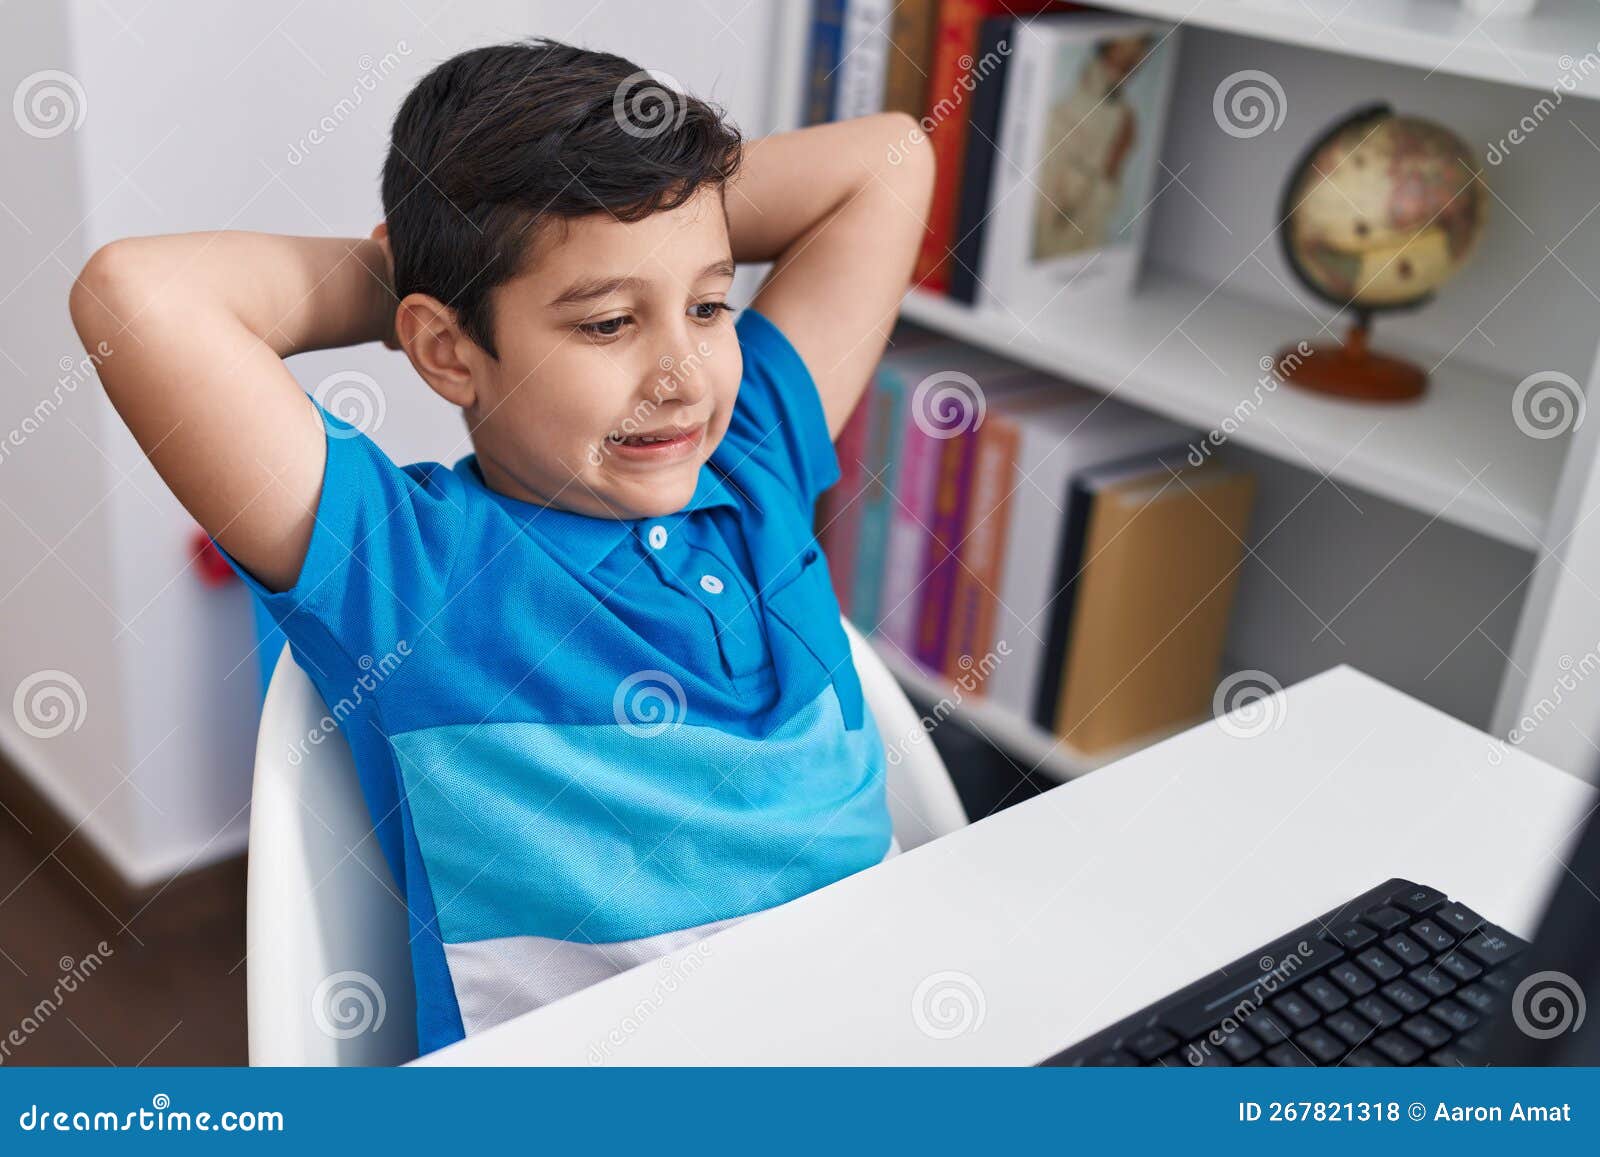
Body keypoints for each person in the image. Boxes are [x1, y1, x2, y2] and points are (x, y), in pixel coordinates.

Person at [68, 38, 934, 1056]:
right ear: (444, 348)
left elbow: (889, 159)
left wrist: (651, 225)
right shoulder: (409, 571)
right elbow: (136, 297)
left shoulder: (753, 462)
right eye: (608, 322)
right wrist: (434, 265)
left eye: (708, 304)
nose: (683, 375)